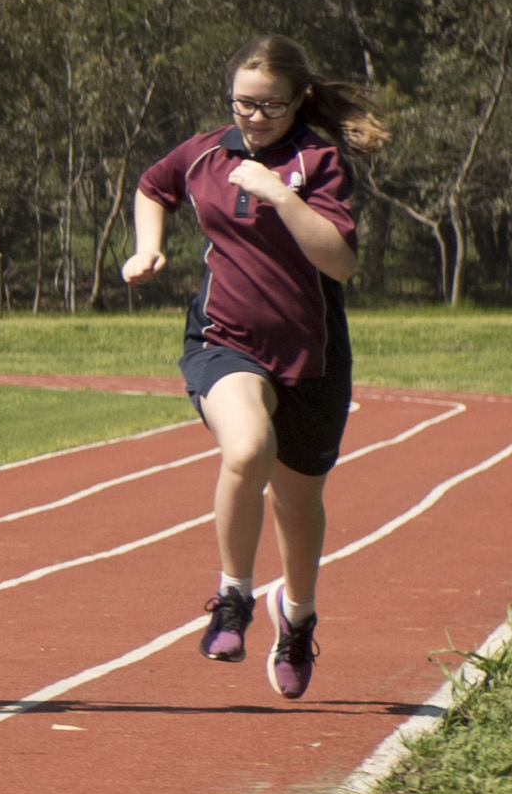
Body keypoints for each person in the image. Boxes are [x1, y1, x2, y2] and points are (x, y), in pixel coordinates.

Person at [122, 36, 379, 700]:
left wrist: (282, 196)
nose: (254, 117)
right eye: (243, 103)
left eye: (269, 106)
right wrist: (147, 249)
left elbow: (341, 263)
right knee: (247, 449)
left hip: (310, 353)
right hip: (223, 337)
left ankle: (296, 618)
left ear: (297, 102)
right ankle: (232, 596)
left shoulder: (318, 162)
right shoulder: (205, 151)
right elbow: (153, 186)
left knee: (298, 505)